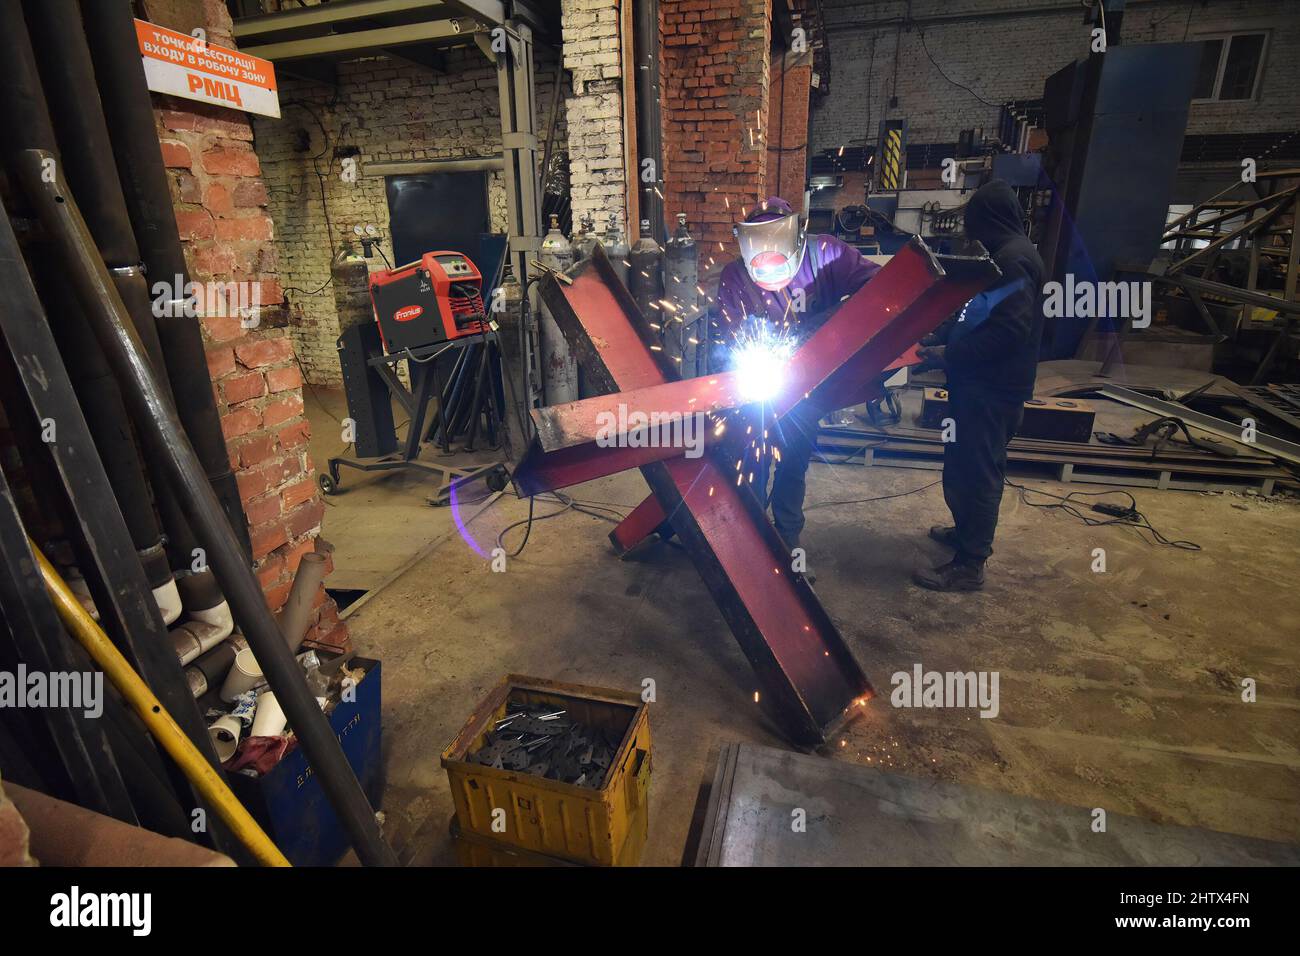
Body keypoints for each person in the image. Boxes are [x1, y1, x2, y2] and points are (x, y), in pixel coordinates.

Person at [716, 198, 879, 551]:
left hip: (809, 387)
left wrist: (830, 321)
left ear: (795, 238)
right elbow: (729, 332)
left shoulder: (826, 254)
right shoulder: (735, 275)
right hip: (757, 390)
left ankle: (788, 538)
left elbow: (881, 286)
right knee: (753, 460)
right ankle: (753, 540)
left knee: (794, 462)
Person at [912, 179, 1045, 591]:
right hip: (977, 387)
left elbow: (1008, 332)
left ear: (988, 219)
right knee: (962, 465)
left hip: (992, 391)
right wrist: (939, 335)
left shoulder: (1014, 261)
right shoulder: (1005, 256)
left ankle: (970, 563)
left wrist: (949, 355)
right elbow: (977, 312)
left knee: (979, 472)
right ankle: (964, 531)